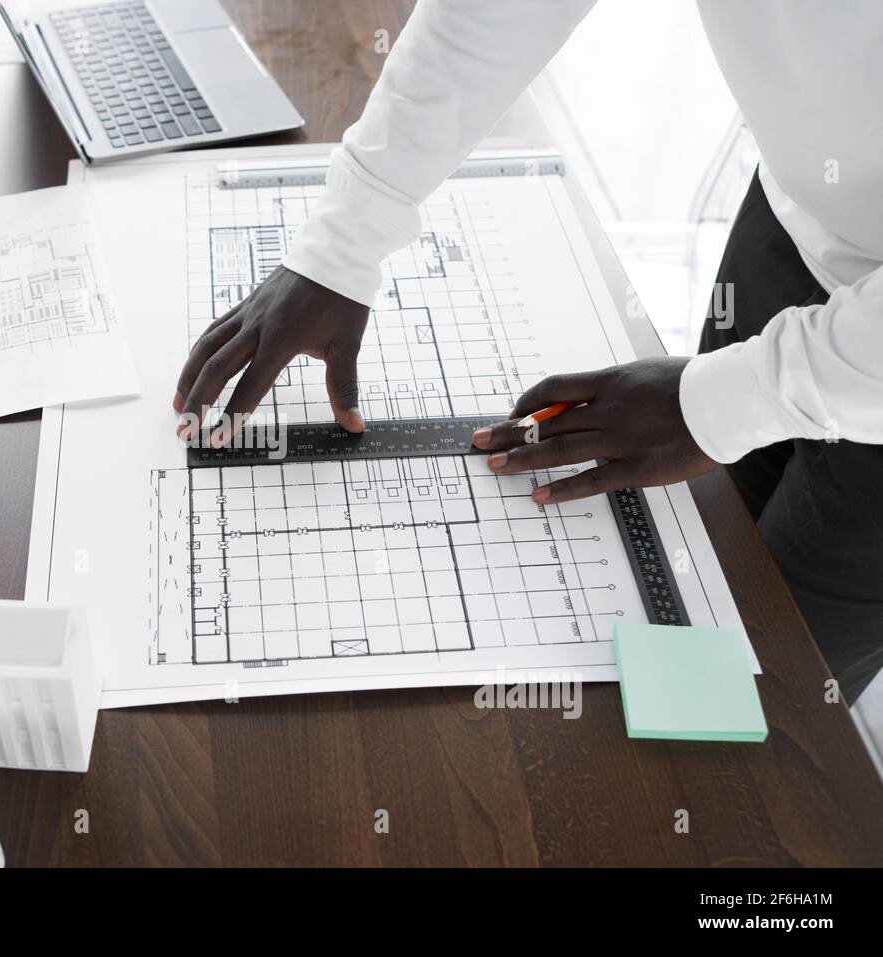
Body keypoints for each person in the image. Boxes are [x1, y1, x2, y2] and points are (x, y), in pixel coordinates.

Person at [172, 0, 883, 703]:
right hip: (797, 219)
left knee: (763, 719)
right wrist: (344, 237)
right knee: (702, 581)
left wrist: (722, 402)